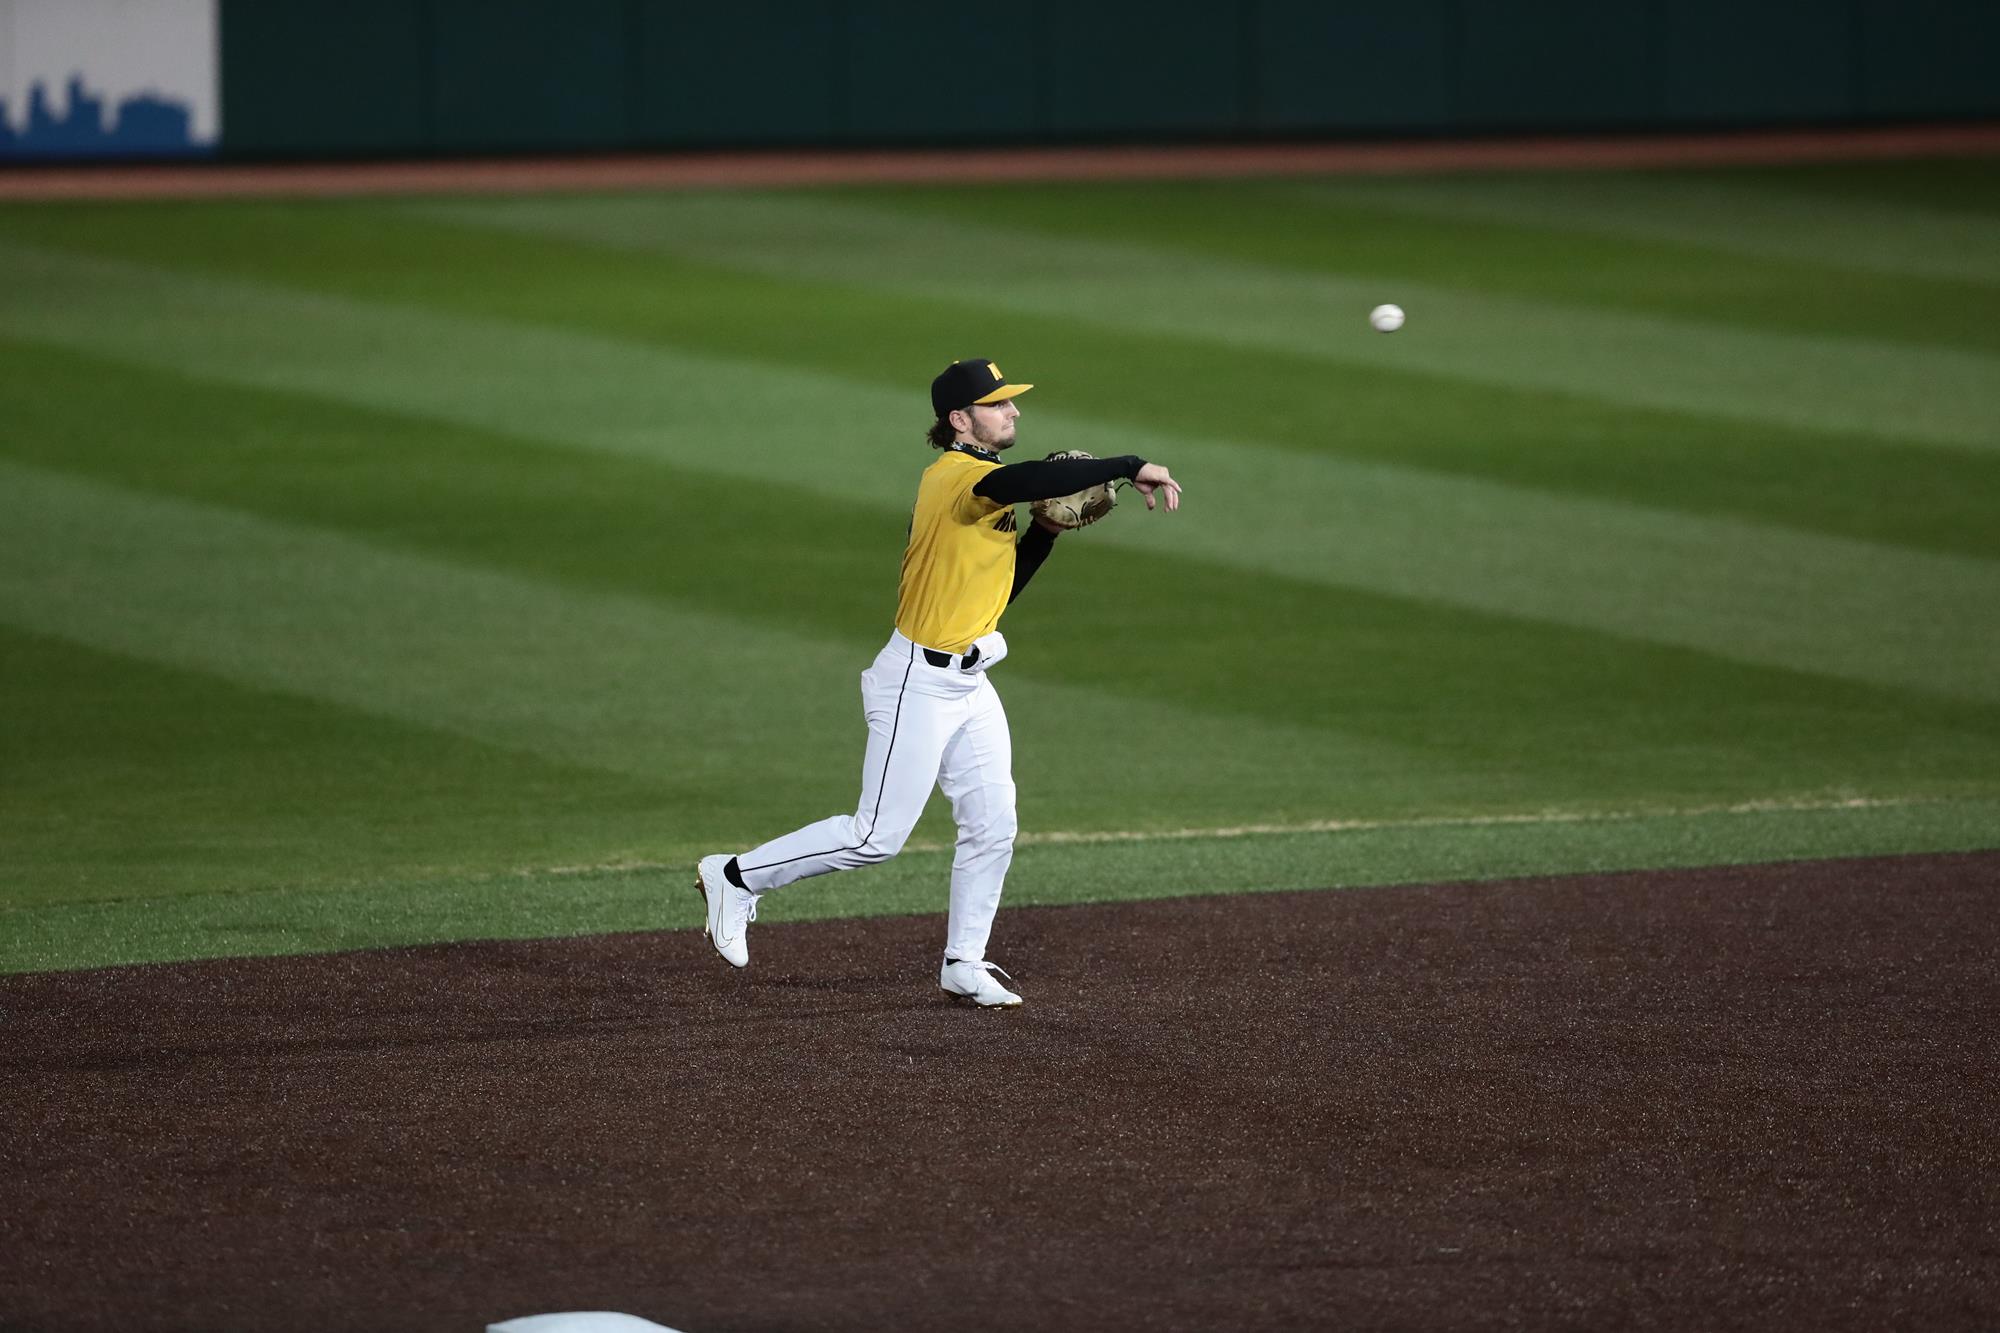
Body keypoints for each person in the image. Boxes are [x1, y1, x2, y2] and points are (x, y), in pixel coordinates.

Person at [697, 358, 1182, 1007]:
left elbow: (1000, 592)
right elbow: (1028, 476)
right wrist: (1127, 462)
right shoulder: (956, 478)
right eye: (997, 404)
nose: (1012, 412)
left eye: (1012, 403)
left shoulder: (988, 494)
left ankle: (964, 960)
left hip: (969, 682)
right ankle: (735, 875)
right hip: (915, 684)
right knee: (876, 835)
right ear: (961, 418)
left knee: (994, 822)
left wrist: (1044, 531)